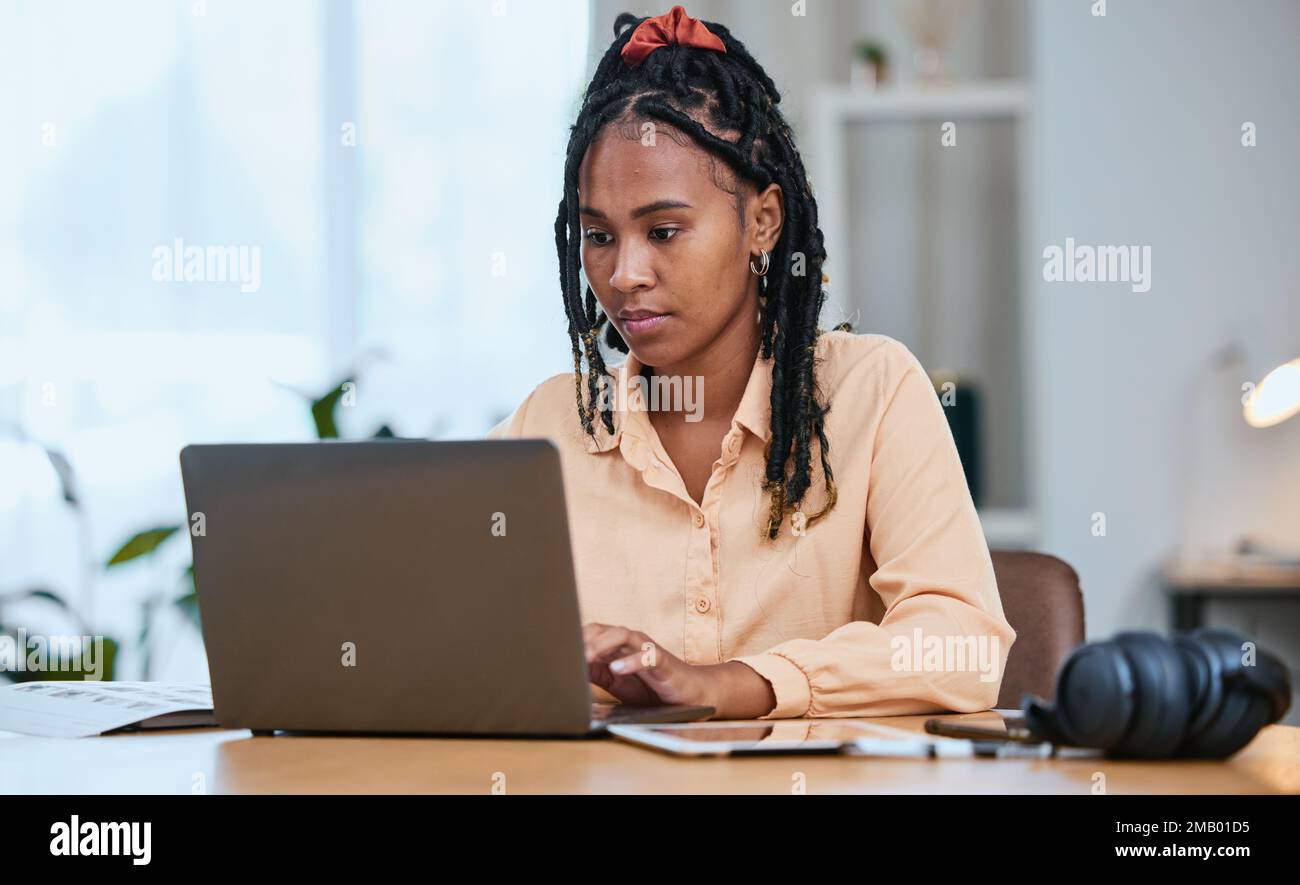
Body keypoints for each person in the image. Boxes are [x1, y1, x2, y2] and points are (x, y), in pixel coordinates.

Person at [489, 5, 1015, 720]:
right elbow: (438, 627)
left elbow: (964, 647)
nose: (624, 273)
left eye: (664, 230)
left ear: (762, 221)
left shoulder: (872, 390)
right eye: (600, 236)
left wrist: (734, 684)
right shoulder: (548, 424)